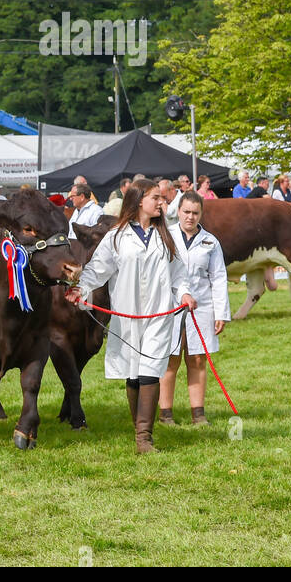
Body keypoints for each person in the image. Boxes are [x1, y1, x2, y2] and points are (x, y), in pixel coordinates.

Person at [65, 179, 196, 454]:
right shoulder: (116, 237)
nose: (162, 203)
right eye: (156, 198)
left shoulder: (165, 236)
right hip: (127, 316)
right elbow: (96, 271)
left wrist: (184, 293)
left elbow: (178, 273)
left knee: (150, 371)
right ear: (139, 201)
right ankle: (140, 429)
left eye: (162, 198)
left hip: (159, 315)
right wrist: (81, 290)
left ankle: (144, 438)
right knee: (133, 373)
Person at [160, 192, 230, 427]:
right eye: (186, 212)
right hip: (169, 305)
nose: (190, 217)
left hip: (202, 306)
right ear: (178, 211)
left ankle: (198, 414)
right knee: (170, 358)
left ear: (201, 214)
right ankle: (165, 414)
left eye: (195, 213)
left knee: (198, 358)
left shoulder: (211, 241)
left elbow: (219, 278)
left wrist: (221, 313)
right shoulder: (165, 236)